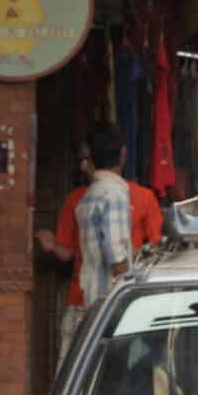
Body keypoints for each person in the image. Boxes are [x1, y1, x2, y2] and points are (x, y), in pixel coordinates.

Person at [40, 141, 163, 353]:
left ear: (94, 162)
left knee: (79, 370)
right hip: (124, 301)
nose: (83, 167)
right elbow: (157, 250)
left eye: (85, 160)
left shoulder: (80, 199)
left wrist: (50, 245)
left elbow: (66, 254)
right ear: (122, 156)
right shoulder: (143, 196)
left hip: (87, 301)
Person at [75, 130, 138, 311]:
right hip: (111, 302)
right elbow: (117, 257)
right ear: (123, 153)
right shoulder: (113, 193)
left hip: (94, 297)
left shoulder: (92, 193)